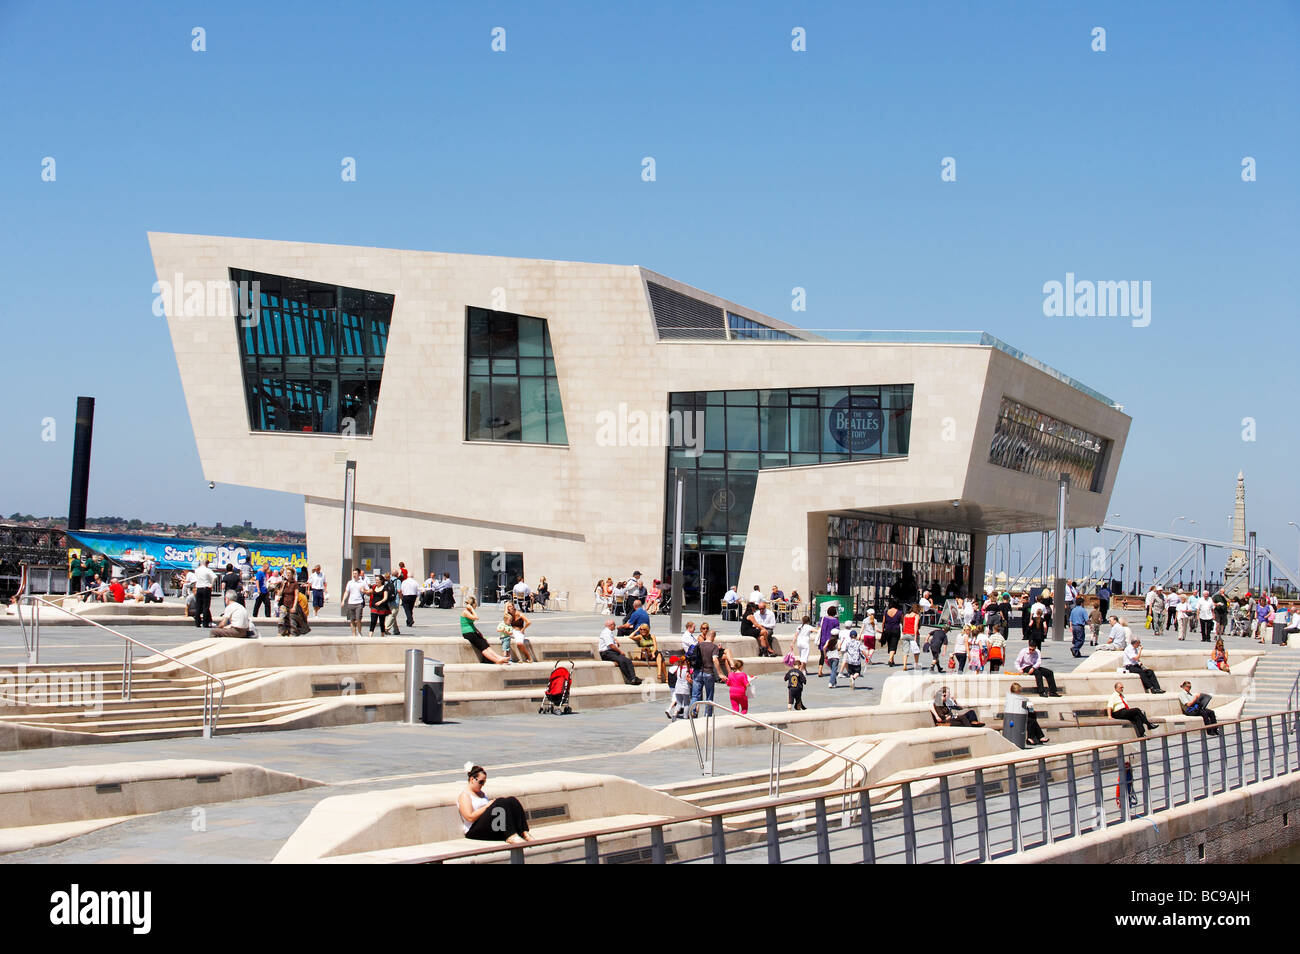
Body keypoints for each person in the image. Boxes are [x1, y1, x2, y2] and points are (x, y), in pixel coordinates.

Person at [459, 765, 533, 843]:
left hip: (487, 826)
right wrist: (487, 806)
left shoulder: (482, 794)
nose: (482, 785)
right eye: (481, 782)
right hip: (473, 830)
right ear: (472, 779)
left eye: (484, 782)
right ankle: (510, 835)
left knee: (511, 800)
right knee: (500, 801)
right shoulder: (465, 795)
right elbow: (469, 817)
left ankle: (523, 831)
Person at [460, 597, 509, 665]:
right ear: (472, 604)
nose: (476, 606)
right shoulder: (465, 612)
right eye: (475, 604)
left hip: (473, 632)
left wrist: (478, 632)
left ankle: (499, 658)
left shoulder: (469, 612)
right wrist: (471, 608)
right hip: (468, 633)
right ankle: (496, 660)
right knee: (483, 648)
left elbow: (471, 623)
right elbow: (476, 617)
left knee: (485, 645)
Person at [598, 619, 641, 685]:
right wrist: (620, 652)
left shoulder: (607, 632)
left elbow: (611, 640)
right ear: (611, 625)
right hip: (607, 653)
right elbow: (611, 645)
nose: (615, 626)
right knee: (621, 660)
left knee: (628, 660)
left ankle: (633, 677)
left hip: (610, 652)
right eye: (614, 625)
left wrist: (615, 640)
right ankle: (630, 678)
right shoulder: (606, 633)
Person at [688, 625, 720, 707]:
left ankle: (692, 712)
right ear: (713, 637)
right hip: (708, 672)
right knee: (709, 697)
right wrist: (720, 673)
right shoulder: (714, 647)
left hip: (697, 672)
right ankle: (708, 715)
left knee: (695, 695)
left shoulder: (698, 645)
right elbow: (715, 659)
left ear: (706, 636)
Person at [665, 655, 692, 720]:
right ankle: (685, 717)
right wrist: (693, 682)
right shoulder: (688, 669)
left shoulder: (679, 668)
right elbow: (688, 679)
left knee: (679, 703)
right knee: (686, 704)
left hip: (677, 688)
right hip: (685, 688)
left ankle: (674, 715)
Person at [342, 568, 367, 637]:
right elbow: (346, 592)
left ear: (359, 574)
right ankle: (354, 634)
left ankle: (359, 632)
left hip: (359, 603)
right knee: (351, 619)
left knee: (358, 619)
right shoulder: (350, 582)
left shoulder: (363, 582)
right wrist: (343, 600)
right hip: (351, 603)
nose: (354, 575)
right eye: (353, 573)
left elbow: (368, 591)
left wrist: (364, 591)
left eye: (355, 573)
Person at [818, 604, 841, 676]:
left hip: (822, 638)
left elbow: (819, 626)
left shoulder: (823, 619)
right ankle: (833, 669)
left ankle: (820, 670)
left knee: (822, 655)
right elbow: (837, 630)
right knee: (832, 656)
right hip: (831, 639)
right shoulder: (836, 621)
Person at [193, 559, 216, 628]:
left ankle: (197, 622)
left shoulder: (197, 570)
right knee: (206, 606)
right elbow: (215, 577)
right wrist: (212, 584)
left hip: (199, 587)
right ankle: (205, 623)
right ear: (207, 564)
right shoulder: (208, 570)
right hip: (206, 587)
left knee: (198, 605)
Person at [880, 601, 903, 667]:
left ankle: (892, 660)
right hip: (896, 629)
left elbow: (883, 622)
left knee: (889, 644)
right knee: (894, 644)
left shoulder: (886, 612)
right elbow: (902, 621)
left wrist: (882, 630)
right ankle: (890, 659)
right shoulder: (899, 612)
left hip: (887, 629)